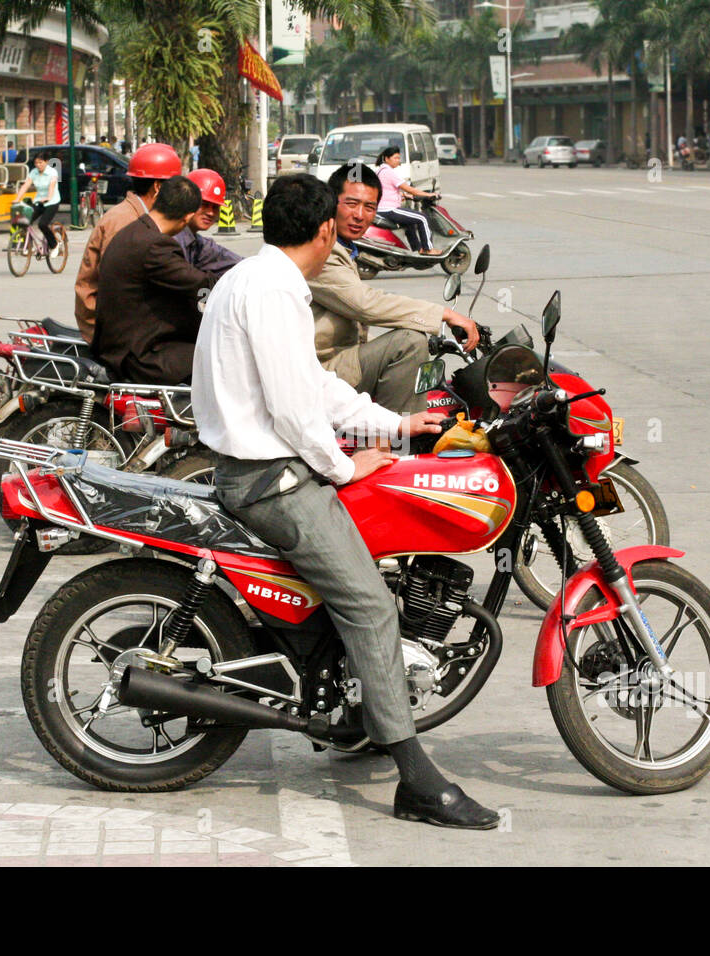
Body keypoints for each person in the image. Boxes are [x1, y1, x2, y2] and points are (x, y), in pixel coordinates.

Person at [191, 174, 500, 829]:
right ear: (325, 229)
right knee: (370, 605)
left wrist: (397, 427)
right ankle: (416, 779)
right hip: (271, 480)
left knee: (368, 571)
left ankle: (359, 709)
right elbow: (297, 409)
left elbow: (315, 387)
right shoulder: (274, 293)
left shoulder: (251, 279)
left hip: (257, 468)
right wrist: (341, 463)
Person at [308, 163, 479, 414]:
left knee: (411, 339)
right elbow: (364, 304)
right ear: (331, 203)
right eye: (351, 204)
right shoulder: (322, 250)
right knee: (408, 342)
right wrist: (444, 314)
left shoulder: (342, 246)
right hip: (322, 373)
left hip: (332, 365)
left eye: (369, 207)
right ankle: (392, 444)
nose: (359, 215)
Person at [92, 175, 215, 385]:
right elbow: (199, 283)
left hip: (121, 343)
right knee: (217, 358)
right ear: (187, 217)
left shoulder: (134, 231)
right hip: (140, 355)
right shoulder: (155, 246)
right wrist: (233, 285)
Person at [73, 142, 182, 343]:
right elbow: (119, 287)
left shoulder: (139, 216)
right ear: (158, 187)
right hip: (108, 327)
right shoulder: (126, 221)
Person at [373, 145, 442, 256]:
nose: (398, 161)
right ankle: (428, 249)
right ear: (386, 159)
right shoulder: (388, 172)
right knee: (422, 218)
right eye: (395, 158)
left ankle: (417, 249)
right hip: (389, 209)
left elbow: (386, 189)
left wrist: (405, 196)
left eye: (399, 158)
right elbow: (410, 189)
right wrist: (429, 195)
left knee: (410, 222)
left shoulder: (380, 170)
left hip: (382, 208)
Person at [174, 169, 242, 277]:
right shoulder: (173, 240)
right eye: (204, 204)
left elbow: (228, 259)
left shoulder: (197, 242)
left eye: (215, 207)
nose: (210, 213)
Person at [13, 153, 62, 259]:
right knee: (24, 221)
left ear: (46, 162)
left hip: (52, 202)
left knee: (42, 224)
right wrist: (17, 199)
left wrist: (48, 197)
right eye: (36, 163)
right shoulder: (34, 172)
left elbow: (52, 186)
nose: (38, 165)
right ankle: (29, 246)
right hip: (39, 201)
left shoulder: (52, 172)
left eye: (40, 162)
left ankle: (54, 245)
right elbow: (26, 185)